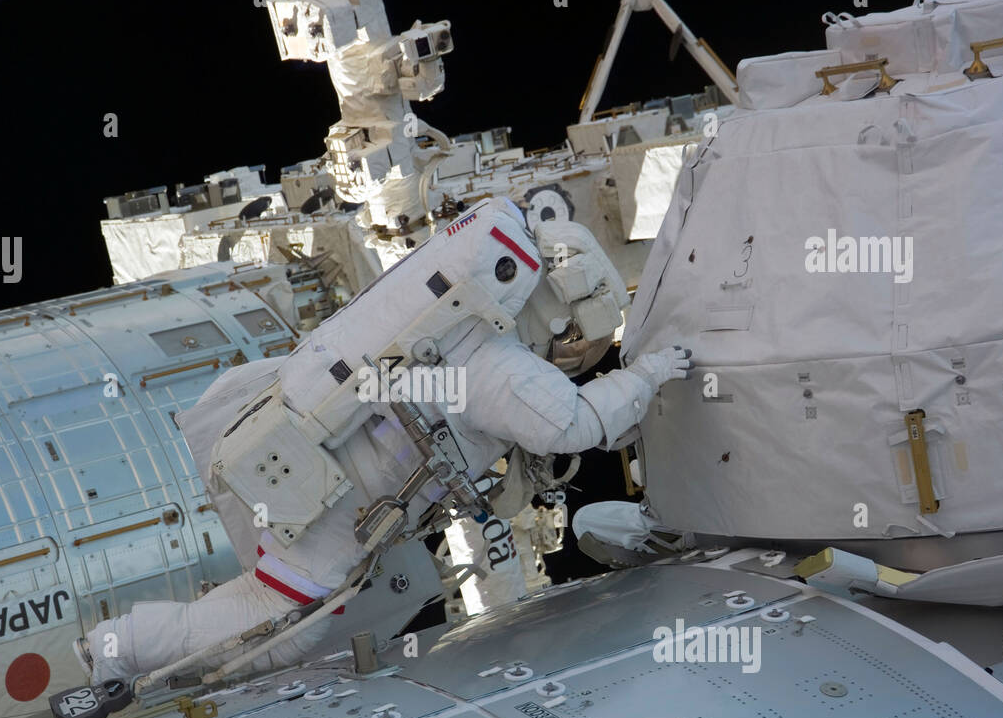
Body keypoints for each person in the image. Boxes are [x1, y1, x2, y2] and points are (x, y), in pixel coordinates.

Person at [75, 198, 691, 684]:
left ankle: (131, 648)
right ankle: (116, 653)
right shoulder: (499, 366)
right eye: (579, 340)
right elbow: (578, 424)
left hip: (277, 449)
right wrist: (655, 371)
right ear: (561, 316)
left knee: (265, 605)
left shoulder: (453, 322)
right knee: (271, 634)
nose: (573, 356)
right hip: (323, 510)